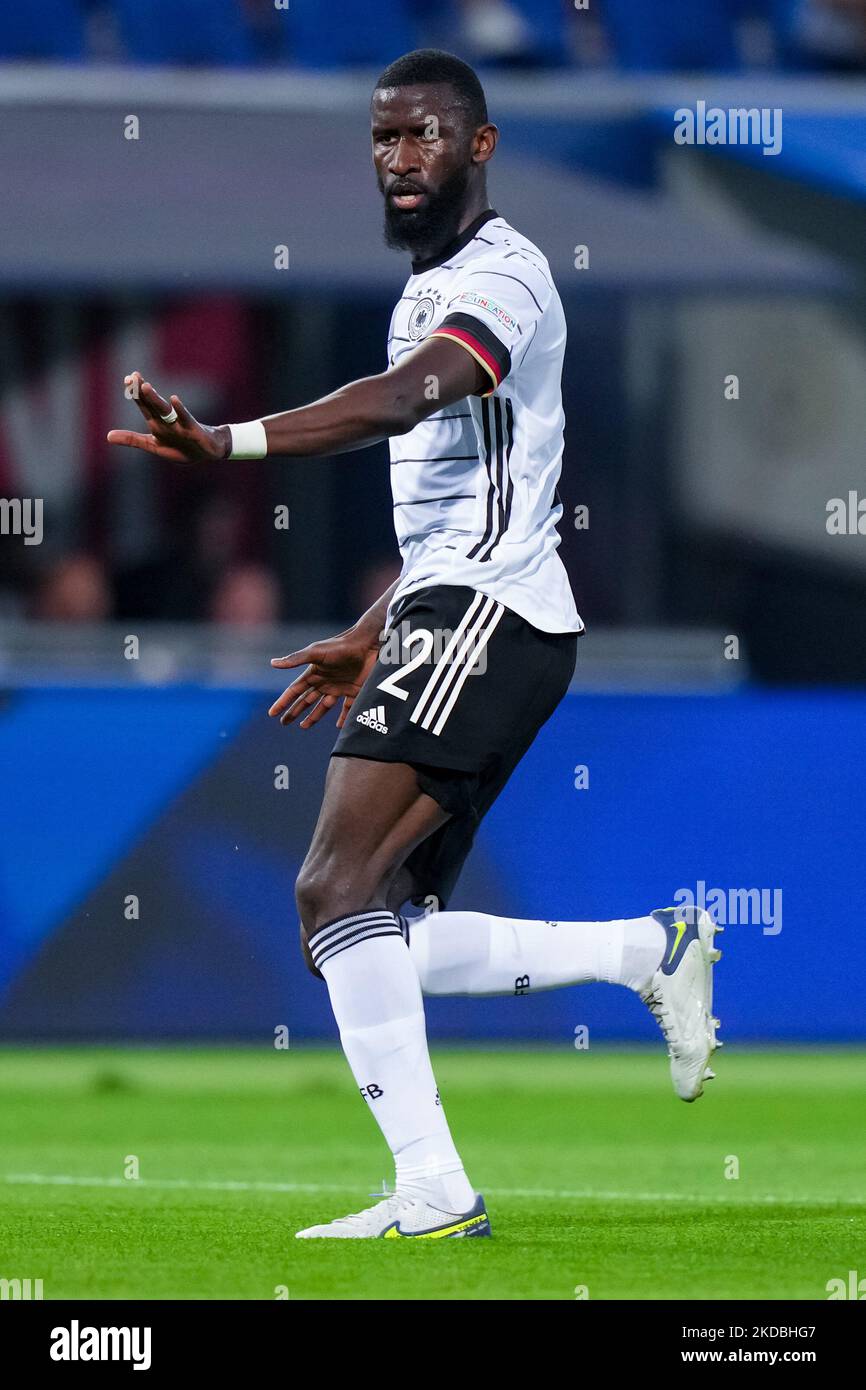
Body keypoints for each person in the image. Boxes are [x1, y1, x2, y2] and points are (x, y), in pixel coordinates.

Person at [108, 48, 721, 1241]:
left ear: (478, 146)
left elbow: (401, 401)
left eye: (423, 136)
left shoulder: (506, 278)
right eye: (382, 140)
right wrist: (369, 630)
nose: (398, 160)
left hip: (488, 616)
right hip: (466, 609)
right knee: (381, 928)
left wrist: (223, 444)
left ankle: (434, 1192)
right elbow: (462, 511)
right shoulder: (421, 286)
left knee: (331, 890)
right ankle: (647, 948)